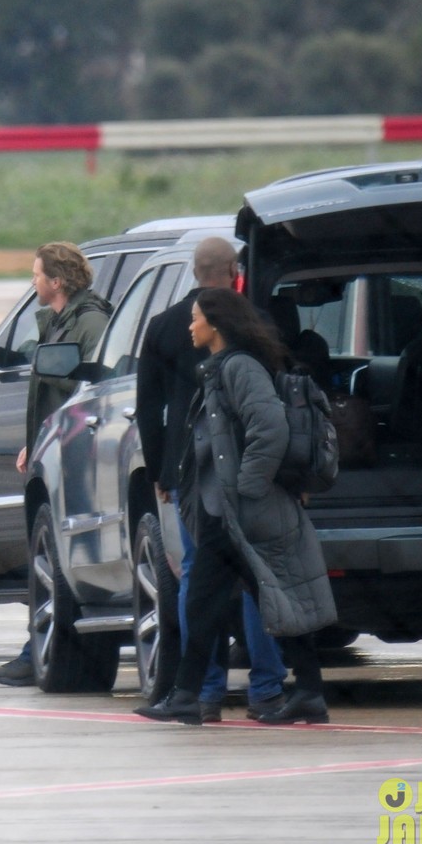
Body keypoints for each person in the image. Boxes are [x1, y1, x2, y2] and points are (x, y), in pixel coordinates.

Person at [136, 288, 336, 725]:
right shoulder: (221, 368)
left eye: (195, 318)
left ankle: (189, 695)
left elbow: (270, 427)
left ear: (216, 324)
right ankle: (306, 691)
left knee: (212, 600)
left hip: (239, 510)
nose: (189, 326)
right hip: (225, 509)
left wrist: (248, 488)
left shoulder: (240, 368)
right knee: (269, 593)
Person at [136, 237, 287, 721]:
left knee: (197, 577)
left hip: (188, 469)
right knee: (256, 573)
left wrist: (160, 468)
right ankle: (266, 688)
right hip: (247, 467)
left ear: (194, 271)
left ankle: (205, 690)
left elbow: (148, 408)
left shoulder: (163, 327)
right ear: (233, 271)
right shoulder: (255, 323)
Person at [0, 241, 112, 687]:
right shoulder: (57, 323)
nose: (33, 282)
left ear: (56, 281)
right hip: (53, 449)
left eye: (37, 275)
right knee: (47, 555)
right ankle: (38, 647)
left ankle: (39, 649)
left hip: (78, 454)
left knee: (55, 556)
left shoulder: (90, 323)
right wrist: (33, 443)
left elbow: (94, 385)